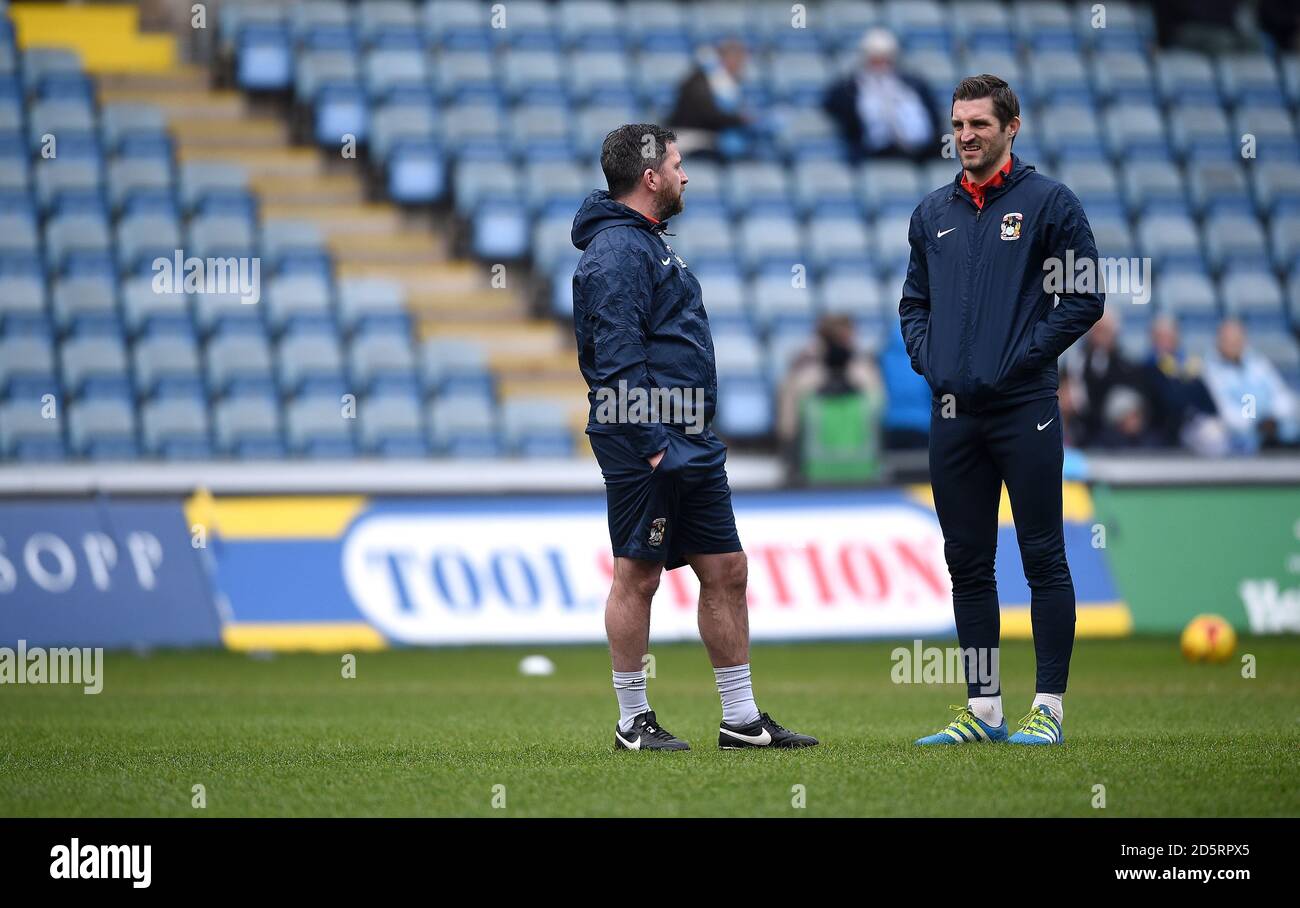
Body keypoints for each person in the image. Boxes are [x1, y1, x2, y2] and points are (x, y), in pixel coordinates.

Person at [570, 124, 818, 752]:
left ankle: (741, 718)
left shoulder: (646, 244)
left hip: (689, 434)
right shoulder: (619, 252)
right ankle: (633, 722)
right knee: (639, 574)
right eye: (678, 165)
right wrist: (654, 441)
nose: (686, 175)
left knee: (727, 568)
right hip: (647, 437)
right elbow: (614, 356)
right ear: (651, 178)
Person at [898, 75, 1104, 747]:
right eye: (957, 125)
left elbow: (1083, 298)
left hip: (1026, 409)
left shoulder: (1050, 204)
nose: (964, 137)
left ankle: (1049, 707)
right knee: (968, 562)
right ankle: (984, 709)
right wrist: (931, 362)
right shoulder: (932, 213)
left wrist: (1019, 359)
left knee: (1043, 555)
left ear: (1012, 126)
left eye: (978, 125)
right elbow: (913, 304)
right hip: (953, 414)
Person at [822, 28, 939, 163]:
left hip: (923, 152)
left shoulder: (913, 84)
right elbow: (834, 105)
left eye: (886, 60)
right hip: (878, 154)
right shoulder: (850, 89)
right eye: (875, 60)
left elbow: (933, 117)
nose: (881, 66)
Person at [776, 314, 884, 453]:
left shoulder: (862, 366)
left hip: (853, 450)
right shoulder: (805, 370)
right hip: (818, 451)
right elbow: (788, 423)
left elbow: (877, 403)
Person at [1202, 318, 1300, 452]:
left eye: (1237, 340)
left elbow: (1281, 394)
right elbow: (1225, 410)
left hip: (1275, 427)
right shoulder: (1211, 371)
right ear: (1219, 341)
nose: (1233, 345)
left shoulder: (1258, 363)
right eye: (1228, 340)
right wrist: (1256, 423)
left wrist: (1273, 417)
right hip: (1242, 436)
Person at [1140, 315, 1226, 454]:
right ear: (1152, 339)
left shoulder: (1188, 367)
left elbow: (1210, 405)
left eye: (1169, 337)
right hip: (1165, 429)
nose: (1165, 342)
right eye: (1160, 337)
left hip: (1195, 425)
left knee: (1215, 431)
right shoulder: (1146, 369)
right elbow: (1165, 403)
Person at [666, 39, 756, 161]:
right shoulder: (702, 79)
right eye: (736, 57)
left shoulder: (731, 83)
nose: (740, 64)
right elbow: (707, 114)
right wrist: (740, 119)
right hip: (689, 135)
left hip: (709, 137)